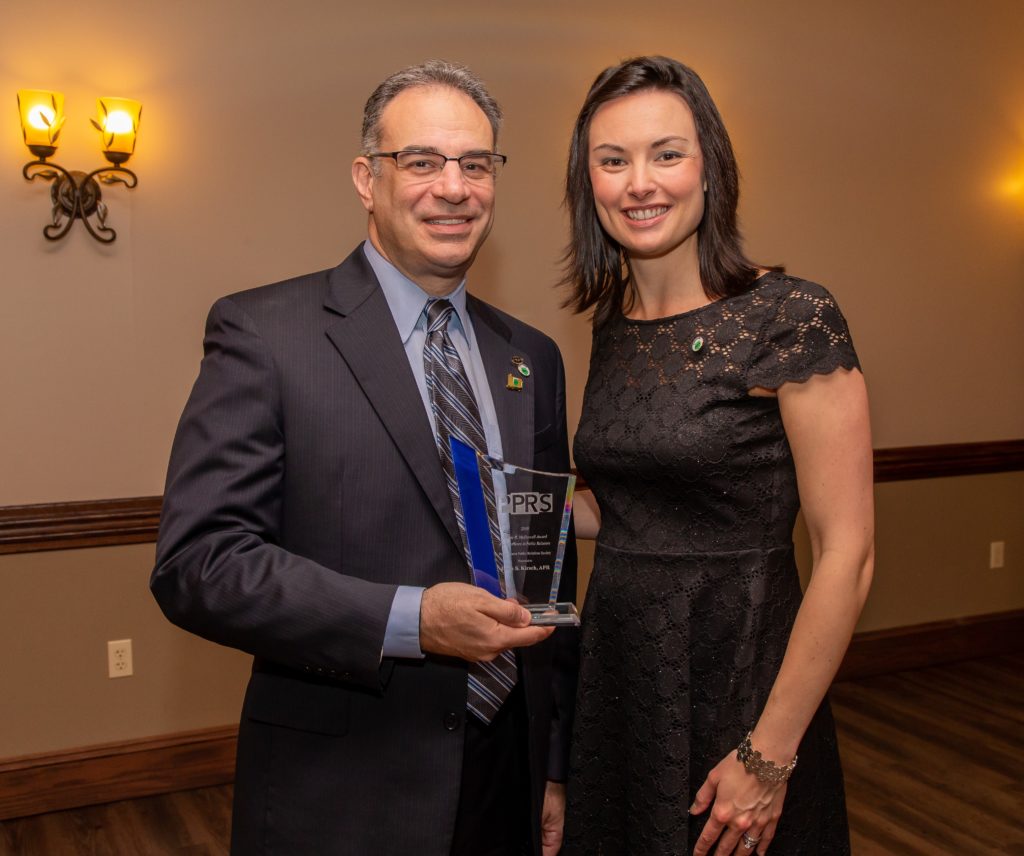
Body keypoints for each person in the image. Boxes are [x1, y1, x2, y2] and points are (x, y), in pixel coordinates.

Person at [151, 60, 577, 856]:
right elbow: (199, 565)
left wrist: (554, 763)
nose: (453, 188)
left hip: (505, 776)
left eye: (475, 164)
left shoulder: (532, 357)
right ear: (365, 178)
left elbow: (550, 567)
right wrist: (414, 620)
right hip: (345, 793)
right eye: (421, 162)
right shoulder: (265, 335)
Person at [560, 56, 873, 855]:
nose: (640, 183)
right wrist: (501, 507)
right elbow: (631, 507)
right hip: (620, 676)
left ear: (711, 168)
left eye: (667, 153)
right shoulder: (614, 327)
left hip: (739, 676)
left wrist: (769, 754)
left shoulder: (790, 316)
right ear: (587, 181)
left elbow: (850, 553)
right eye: (612, 159)